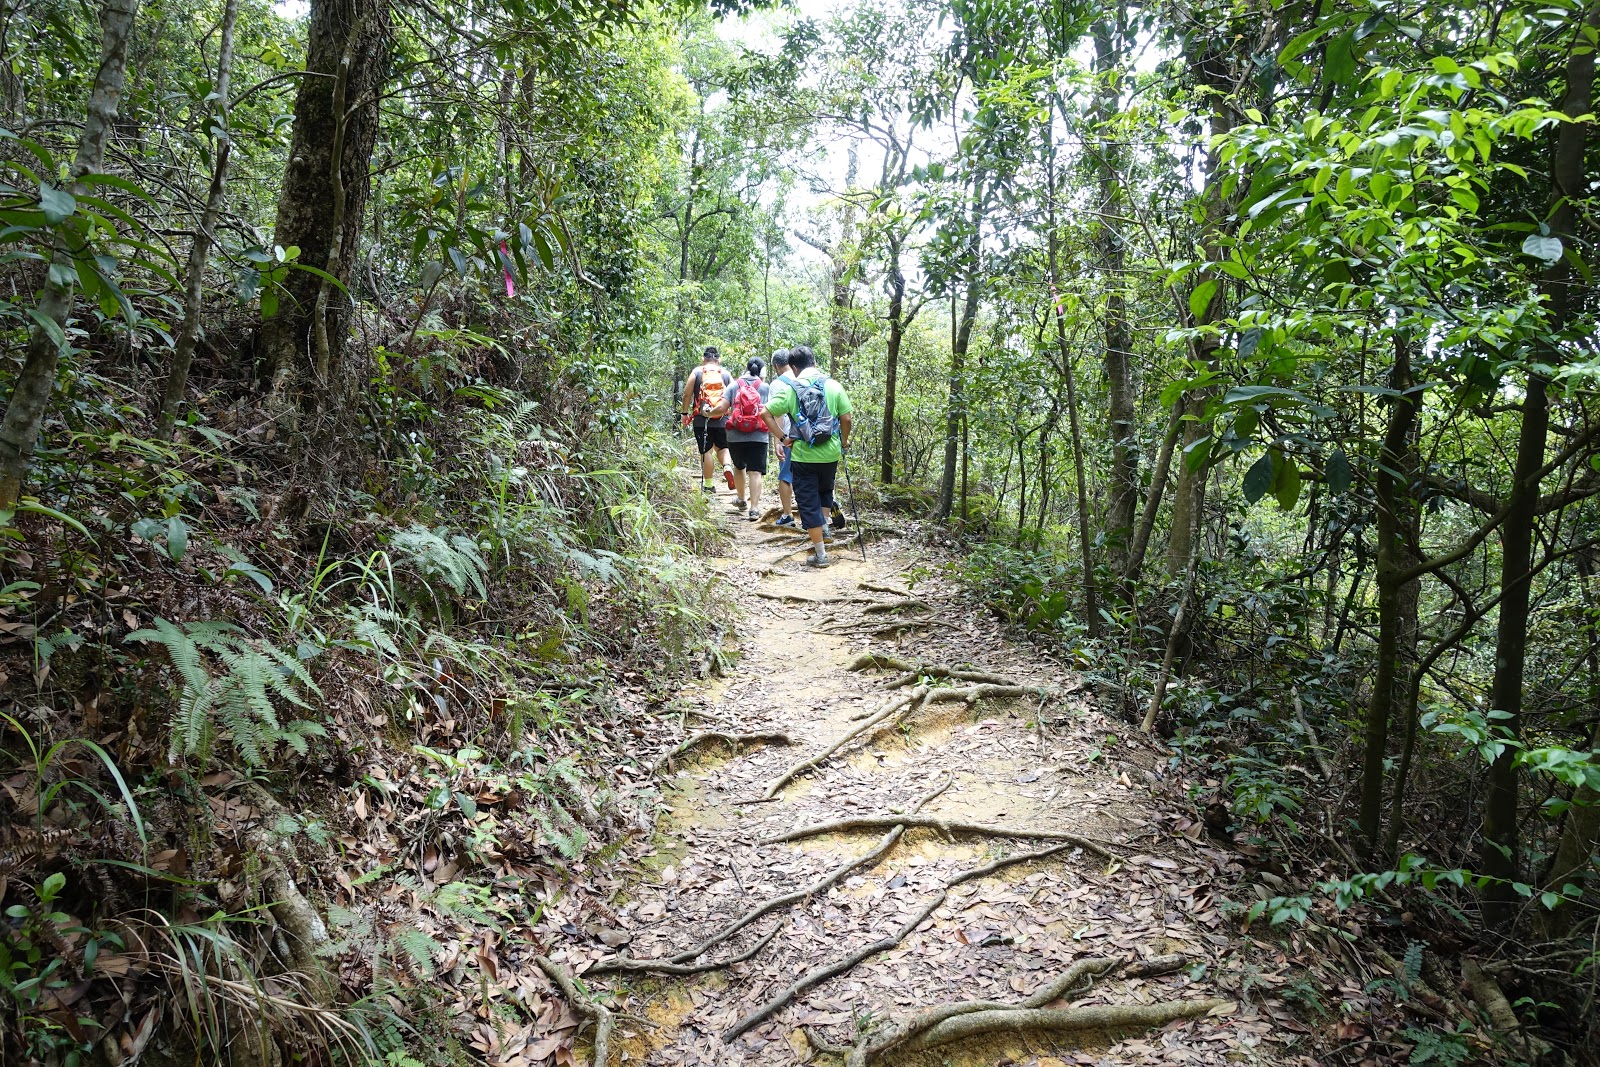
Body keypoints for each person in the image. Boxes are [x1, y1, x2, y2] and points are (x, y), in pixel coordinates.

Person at [762, 345, 852, 567]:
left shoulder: (791, 389)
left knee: (808, 501)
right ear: (814, 362)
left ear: (793, 367)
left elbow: (765, 412)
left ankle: (821, 554)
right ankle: (823, 527)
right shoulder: (833, 385)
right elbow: (846, 418)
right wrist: (844, 441)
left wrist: (783, 439)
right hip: (830, 454)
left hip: (803, 455)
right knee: (825, 491)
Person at [680, 346, 734, 492]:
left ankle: (709, 485)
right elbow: (736, 396)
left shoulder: (697, 372)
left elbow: (686, 394)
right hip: (723, 418)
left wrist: (684, 414)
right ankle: (727, 466)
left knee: (707, 452)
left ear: (703, 359)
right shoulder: (726, 374)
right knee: (723, 448)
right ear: (718, 359)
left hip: (701, 419)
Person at [724, 357, 770, 521]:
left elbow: (722, 408)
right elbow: (772, 410)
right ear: (761, 372)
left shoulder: (733, 386)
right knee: (755, 472)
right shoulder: (765, 387)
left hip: (735, 435)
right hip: (759, 435)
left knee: (738, 467)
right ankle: (754, 509)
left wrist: (708, 413)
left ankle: (742, 499)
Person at [768, 350, 799, 527]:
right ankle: (821, 513)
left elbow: (775, 413)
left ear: (776, 366)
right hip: (809, 435)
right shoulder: (803, 378)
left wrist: (779, 439)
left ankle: (787, 515)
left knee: (786, 476)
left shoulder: (778, 384)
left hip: (788, 436)